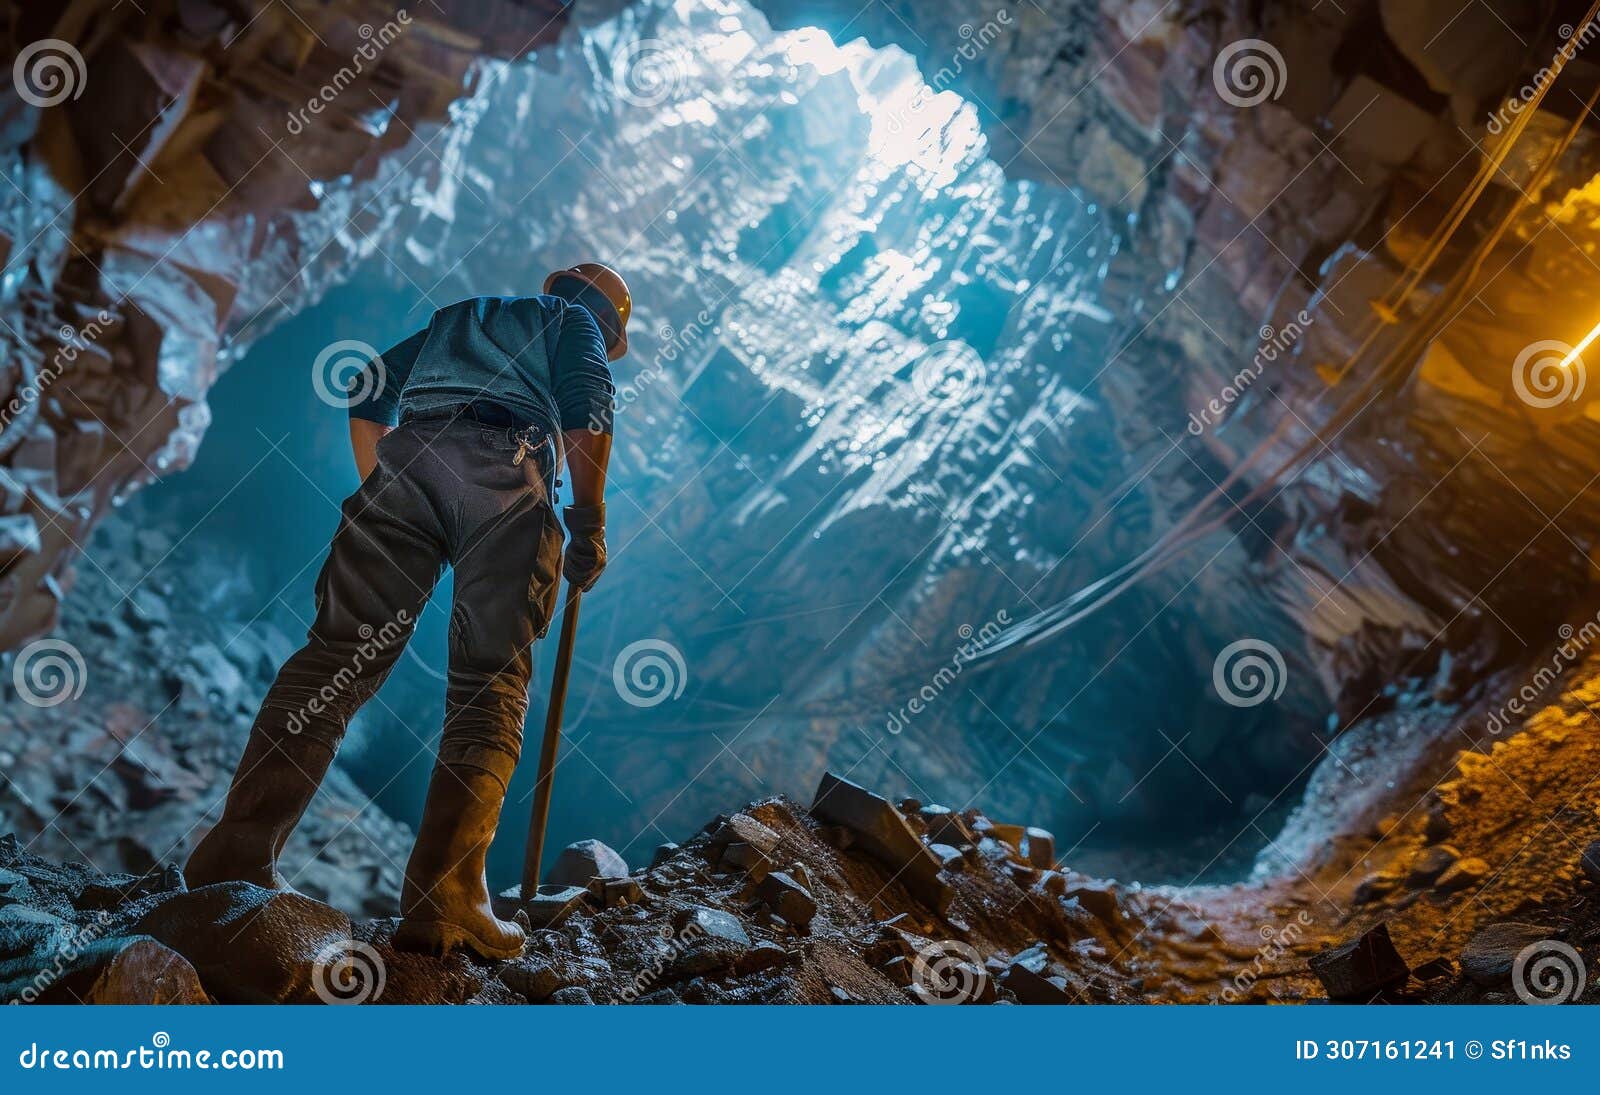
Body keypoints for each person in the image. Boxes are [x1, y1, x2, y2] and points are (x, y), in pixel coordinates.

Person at [185, 264, 630, 960]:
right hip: (507, 472)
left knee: (334, 659)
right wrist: (589, 520)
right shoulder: (575, 326)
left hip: (410, 458)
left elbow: (367, 388)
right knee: (490, 685)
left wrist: (389, 491)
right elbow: (587, 406)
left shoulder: (464, 313)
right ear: (604, 320)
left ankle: (232, 858)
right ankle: (445, 899)